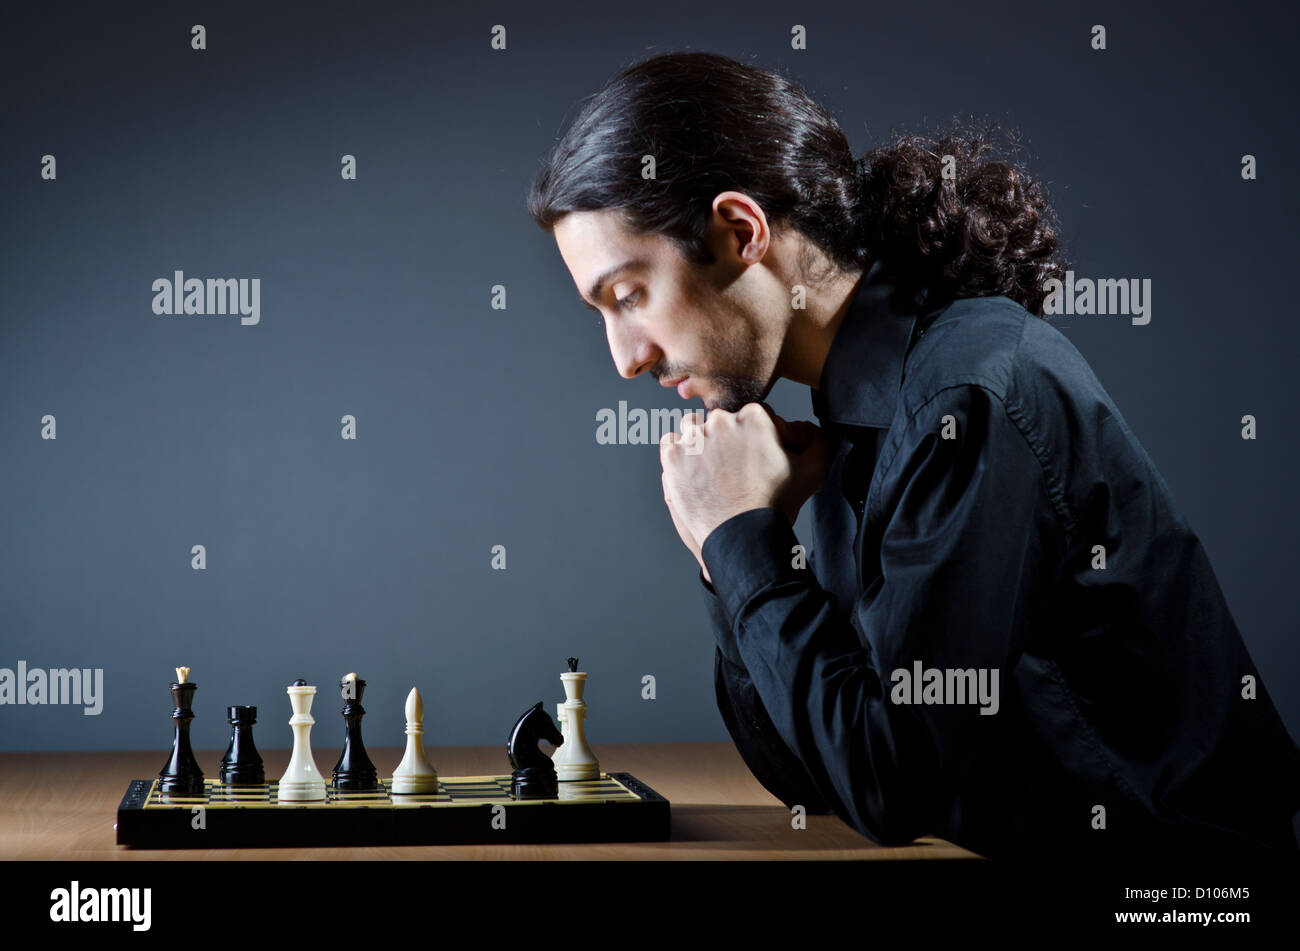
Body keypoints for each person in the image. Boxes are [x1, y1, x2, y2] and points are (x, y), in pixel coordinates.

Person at [527, 50, 1300, 862]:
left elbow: (893, 785)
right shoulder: (842, 426)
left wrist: (739, 539)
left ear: (740, 231)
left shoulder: (965, 397)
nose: (624, 358)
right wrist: (735, 553)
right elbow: (807, 775)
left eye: (627, 295)